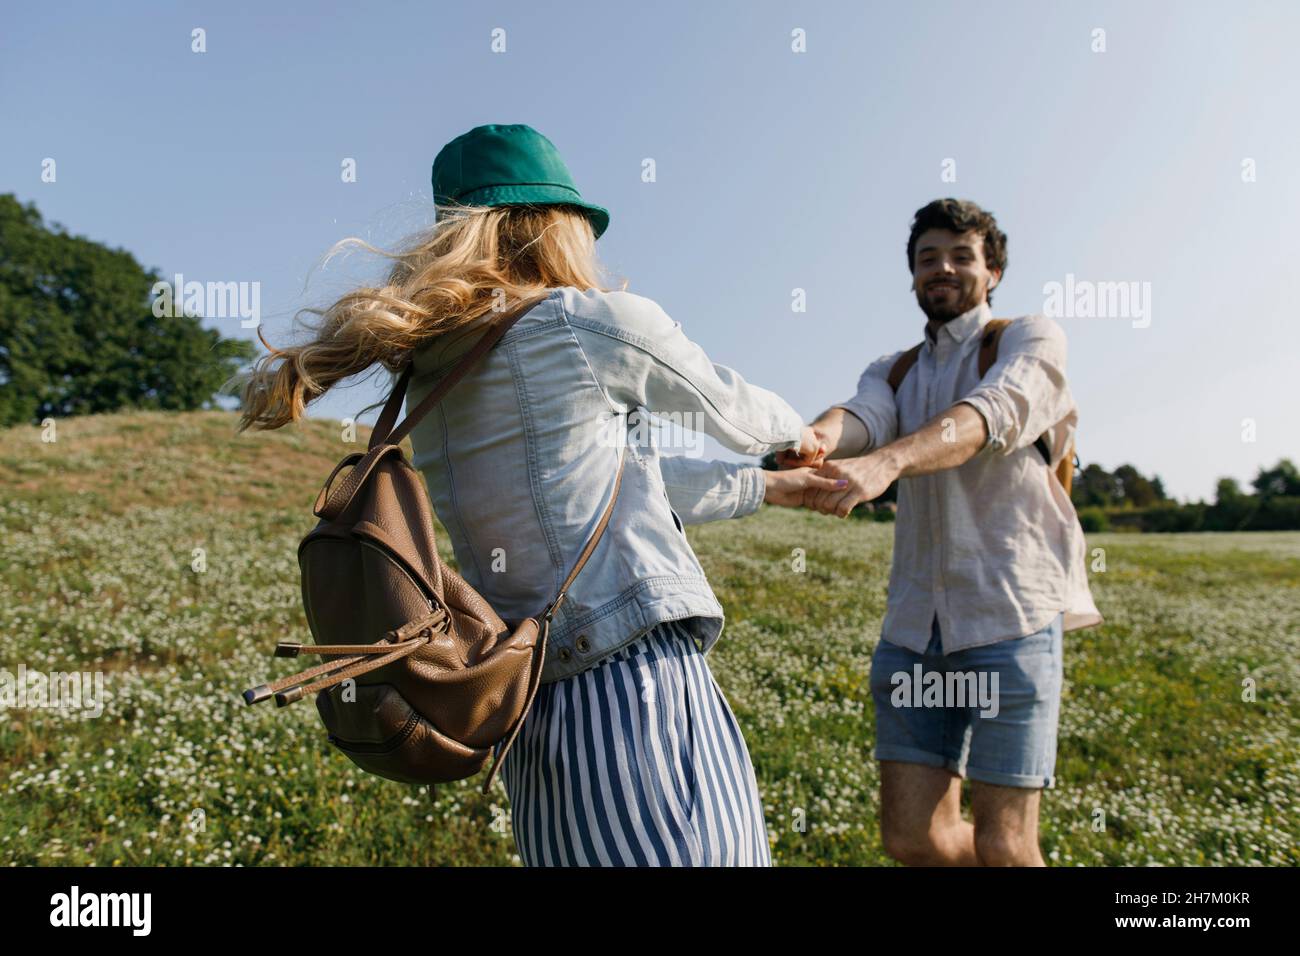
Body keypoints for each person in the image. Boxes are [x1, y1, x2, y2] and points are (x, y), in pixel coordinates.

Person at [235, 123, 838, 866]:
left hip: (523, 701)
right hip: (633, 685)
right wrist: (799, 433)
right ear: (558, 224)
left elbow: (624, 485)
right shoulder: (584, 324)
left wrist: (771, 489)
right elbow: (731, 409)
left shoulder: (432, 370)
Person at [780, 198, 1102, 866]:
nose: (943, 269)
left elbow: (990, 415)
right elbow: (864, 415)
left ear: (994, 272)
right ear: (913, 277)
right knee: (912, 838)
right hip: (914, 630)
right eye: (928, 258)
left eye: (962, 256)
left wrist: (888, 462)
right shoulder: (893, 370)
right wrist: (813, 439)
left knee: (1007, 845)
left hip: (1009, 617)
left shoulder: (1029, 340)